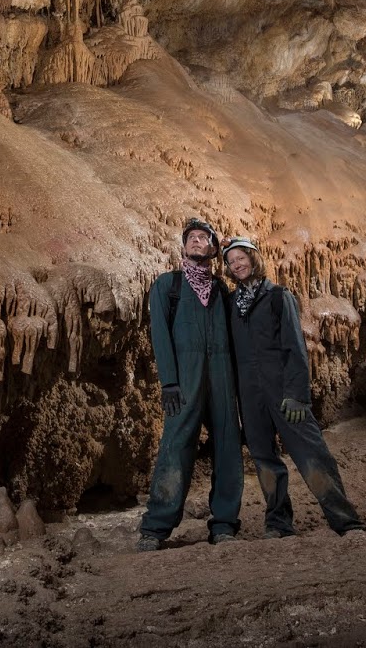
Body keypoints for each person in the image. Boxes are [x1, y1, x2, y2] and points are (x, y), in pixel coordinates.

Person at [223, 236, 366, 538]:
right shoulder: (232, 304)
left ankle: (345, 520)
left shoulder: (277, 297)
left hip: (283, 392)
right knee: (264, 459)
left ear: (254, 258)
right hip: (251, 396)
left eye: (241, 257)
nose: (237, 264)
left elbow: (295, 347)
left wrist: (298, 395)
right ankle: (278, 523)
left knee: (311, 454)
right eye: (231, 260)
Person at [137, 219, 245, 550]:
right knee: (176, 446)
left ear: (214, 249)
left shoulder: (222, 291)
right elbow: (160, 336)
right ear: (184, 247)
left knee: (228, 445)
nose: (197, 242)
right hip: (185, 376)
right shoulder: (167, 285)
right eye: (191, 238)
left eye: (204, 238)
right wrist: (169, 381)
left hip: (221, 375)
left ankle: (224, 523)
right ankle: (156, 527)